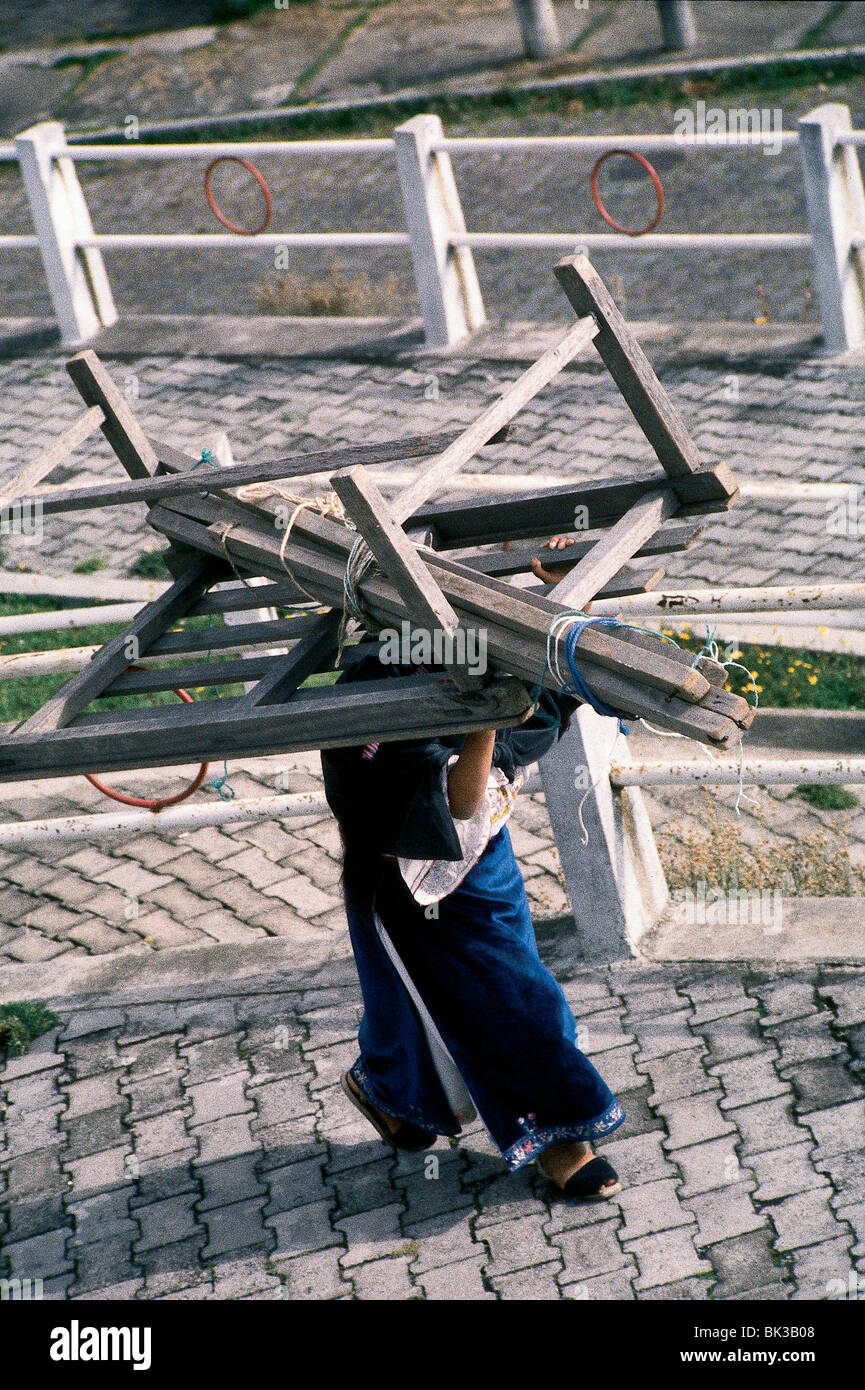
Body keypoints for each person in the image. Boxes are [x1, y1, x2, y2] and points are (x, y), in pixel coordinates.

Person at [320, 537, 624, 1199]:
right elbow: (456, 803)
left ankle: (389, 1093)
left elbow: (544, 657)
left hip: (484, 862)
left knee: (444, 997)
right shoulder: (375, 697)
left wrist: (564, 592)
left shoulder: (469, 648)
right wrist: (488, 712)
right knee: (510, 997)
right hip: (412, 872)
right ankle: (561, 1137)